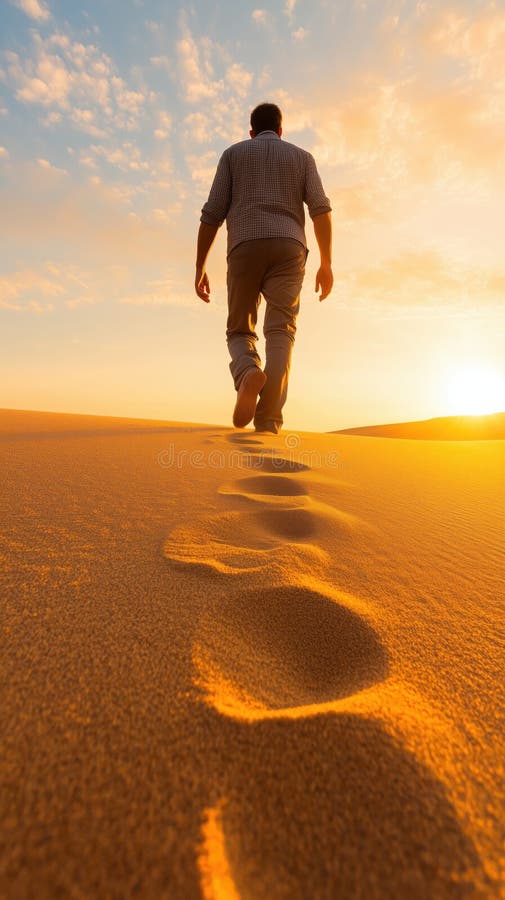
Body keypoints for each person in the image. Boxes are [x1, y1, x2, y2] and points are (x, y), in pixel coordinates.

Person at [195, 102, 333, 434]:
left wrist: (199, 267)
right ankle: (269, 418)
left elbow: (212, 213)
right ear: (281, 131)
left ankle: (246, 374)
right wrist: (327, 263)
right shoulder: (302, 157)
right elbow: (320, 209)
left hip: (244, 244)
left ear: (251, 132)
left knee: (240, 330)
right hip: (289, 247)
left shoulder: (233, 155)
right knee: (281, 331)